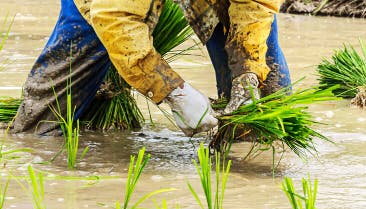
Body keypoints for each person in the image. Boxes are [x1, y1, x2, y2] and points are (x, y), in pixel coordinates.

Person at [10, 0, 291, 137]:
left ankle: (255, 150)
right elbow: (114, 18)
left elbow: (256, 5)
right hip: (107, 5)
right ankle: (33, 141)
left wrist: (248, 72)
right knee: (42, 123)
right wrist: (172, 91)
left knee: (264, 106)